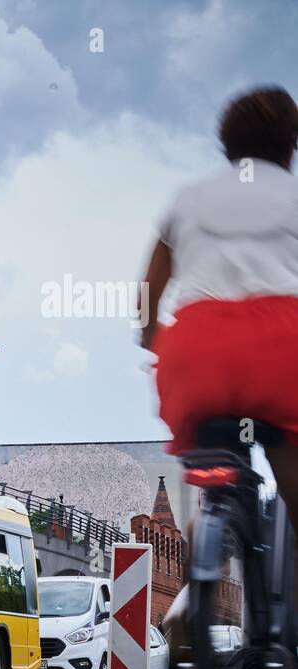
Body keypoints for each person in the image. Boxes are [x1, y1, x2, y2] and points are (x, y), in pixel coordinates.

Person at [139, 86, 298, 536]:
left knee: (213, 479)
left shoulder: (190, 196)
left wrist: (153, 345)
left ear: (226, 143)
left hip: (197, 351)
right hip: (281, 349)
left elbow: (150, 291)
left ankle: (200, 576)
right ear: (290, 144)